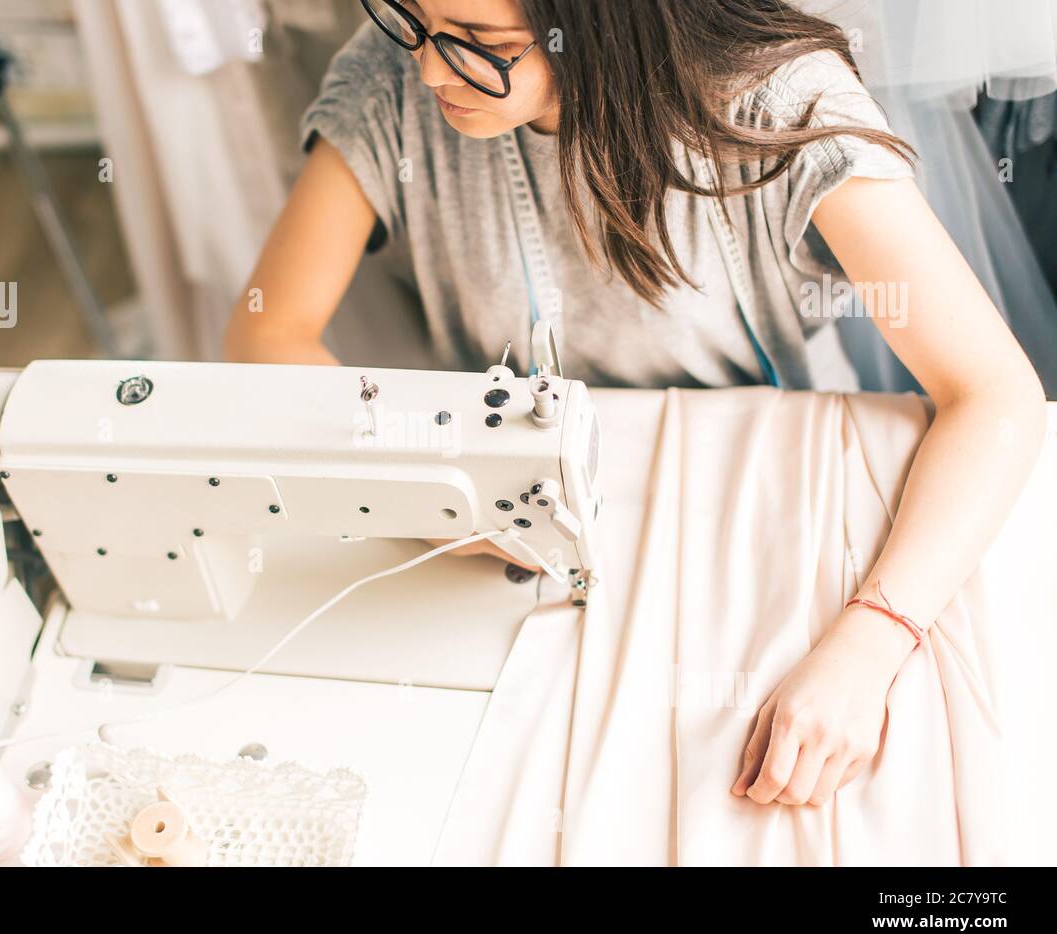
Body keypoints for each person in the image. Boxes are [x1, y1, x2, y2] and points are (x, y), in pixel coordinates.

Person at [222, 1, 1047, 813]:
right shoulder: (392, 69)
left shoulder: (782, 100)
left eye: (482, 41)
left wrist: (872, 641)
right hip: (531, 527)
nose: (432, 68)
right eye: (413, 19)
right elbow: (266, 335)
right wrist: (423, 482)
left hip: (773, 494)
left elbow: (995, 395)